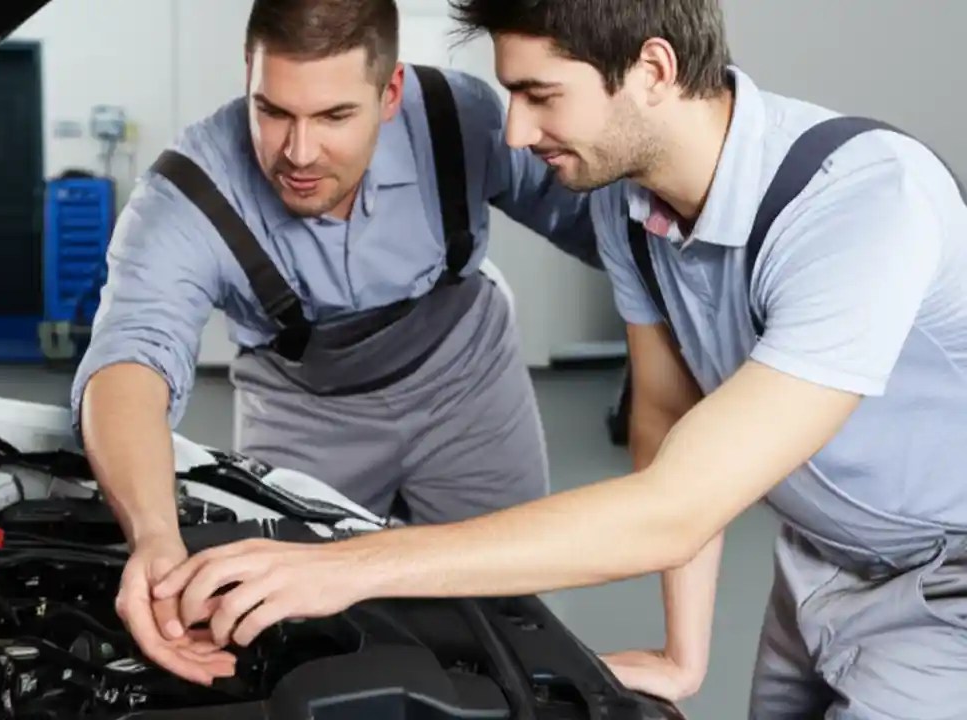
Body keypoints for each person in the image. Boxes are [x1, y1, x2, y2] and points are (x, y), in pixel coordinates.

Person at [148, 0, 967, 716]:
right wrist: (685, 653)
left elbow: (672, 508)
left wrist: (347, 569)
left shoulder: (863, 205)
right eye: (511, 93)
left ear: (652, 68)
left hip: (944, 584)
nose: (512, 131)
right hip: (817, 560)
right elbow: (669, 421)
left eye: (540, 95)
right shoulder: (631, 207)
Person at [71, 0, 601, 687]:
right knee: (280, 628)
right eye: (273, 111)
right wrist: (152, 534)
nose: (298, 152)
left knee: (507, 618)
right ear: (248, 76)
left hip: (468, 386)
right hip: (303, 408)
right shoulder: (186, 193)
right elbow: (127, 362)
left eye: (333, 117)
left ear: (390, 94)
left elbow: (600, 222)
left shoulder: (457, 116)